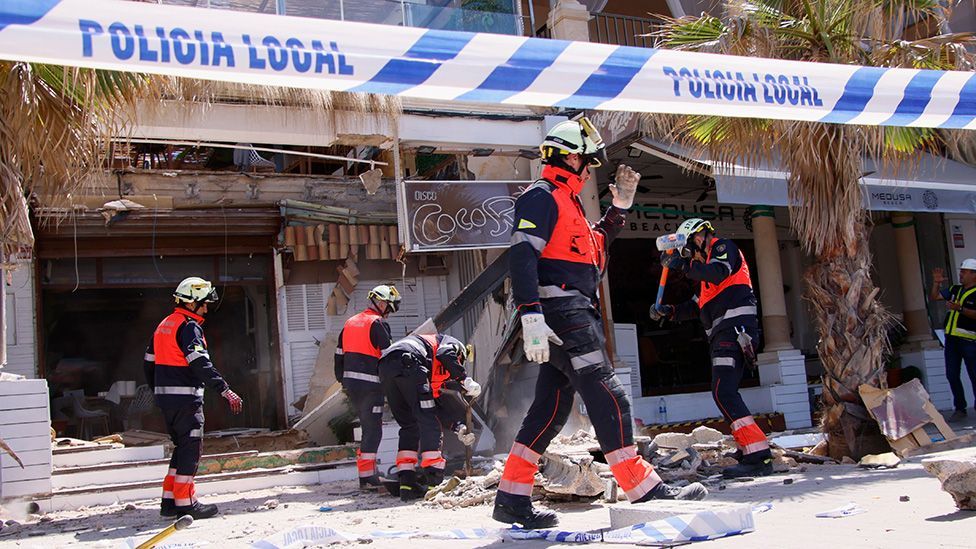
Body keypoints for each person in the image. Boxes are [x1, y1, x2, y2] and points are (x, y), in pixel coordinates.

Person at [494, 118, 707, 530]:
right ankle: (642, 486)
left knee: (550, 408)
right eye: (587, 163)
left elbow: (592, 247)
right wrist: (531, 314)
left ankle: (511, 498)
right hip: (562, 312)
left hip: (570, 311)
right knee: (608, 393)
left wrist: (620, 208)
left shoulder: (568, 203)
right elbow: (521, 255)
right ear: (570, 158)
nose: (590, 171)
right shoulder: (542, 197)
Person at [650, 218, 772, 478]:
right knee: (725, 392)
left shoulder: (722, 248)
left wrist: (682, 266)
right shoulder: (705, 276)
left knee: (723, 392)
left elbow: (718, 272)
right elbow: (696, 306)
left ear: (700, 236)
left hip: (735, 331)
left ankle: (758, 455)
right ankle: (748, 447)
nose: (690, 252)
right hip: (724, 335)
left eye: (690, 246)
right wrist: (669, 311)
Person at [144, 277, 243, 520]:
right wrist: (224, 389)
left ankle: (170, 503)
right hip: (187, 400)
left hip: (167, 402)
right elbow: (200, 363)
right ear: (191, 303)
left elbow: (148, 363)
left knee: (181, 449)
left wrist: (159, 389)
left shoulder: (164, 325)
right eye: (203, 304)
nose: (206, 309)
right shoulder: (189, 327)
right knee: (191, 450)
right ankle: (187, 504)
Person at [378, 332, 480, 501]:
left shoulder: (430, 373)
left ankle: (407, 485)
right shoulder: (450, 343)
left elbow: (434, 408)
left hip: (386, 367)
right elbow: (445, 354)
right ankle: (435, 485)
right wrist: (464, 379)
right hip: (409, 362)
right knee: (430, 425)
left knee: (409, 425)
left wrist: (458, 427)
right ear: (460, 355)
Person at [335, 284, 401, 490]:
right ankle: (367, 477)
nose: (389, 313)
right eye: (389, 308)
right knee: (374, 430)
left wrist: (343, 380)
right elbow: (388, 358)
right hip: (371, 387)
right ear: (380, 303)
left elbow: (338, 355)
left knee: (367, 428)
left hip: (353, 387)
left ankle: (367, 473)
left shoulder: (349, 323)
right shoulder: (377, 323)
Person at [929, 261, 976, 421]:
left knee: (974, 375)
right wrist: (936, 283)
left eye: (965, 272)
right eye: (961, 271)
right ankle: (960, 408)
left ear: (974, 274)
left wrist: (960, 309)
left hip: (970, 341)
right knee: (952, 374)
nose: (961, 274)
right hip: (952, 341)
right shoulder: (955, 289)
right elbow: (935, 297)